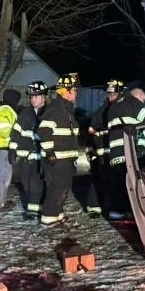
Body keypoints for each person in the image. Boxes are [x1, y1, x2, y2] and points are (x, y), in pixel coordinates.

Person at [37, 73, 81, 226]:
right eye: (75, 90)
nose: (76, 93)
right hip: (57, 160)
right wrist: (49, 152)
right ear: (67, 91)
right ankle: (48, 218)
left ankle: (57, 215)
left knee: (63, 188)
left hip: (65, 159)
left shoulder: (66, 108)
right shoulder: (56, 108)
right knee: (56, 188)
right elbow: (43, 130)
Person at [106, 87, 145, 220]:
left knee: (118, 181)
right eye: (142, 101)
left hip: (116, 151)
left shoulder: (115, 106)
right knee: (130, 183)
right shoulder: (132, 101)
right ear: (137, 96)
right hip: (128, 151)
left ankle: (116, 211)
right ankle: (128, 211)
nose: (142, 103)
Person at [85, 79, 125, 217]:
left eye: (114, 94)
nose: (111, 97)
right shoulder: (101, 112)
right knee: (98, 179)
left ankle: (111, 207)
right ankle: (94, 208)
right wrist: (93, 149)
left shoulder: (120, 110)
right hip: (101, 152)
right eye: (110, 94)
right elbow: (92, 132)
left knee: (115, 181)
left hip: (114, 151)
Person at [12, 81, 48, 220]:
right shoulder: (25, 113)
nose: (33, 99)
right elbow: (16, 131)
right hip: (25, 156)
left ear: (43, 97)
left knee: (36, 184)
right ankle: (34, 207)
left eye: (36, 97)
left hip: (41, 156)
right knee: (26, 184)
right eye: (31, 97)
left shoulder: (49, 113)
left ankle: (34, 210)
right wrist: (12, 149)